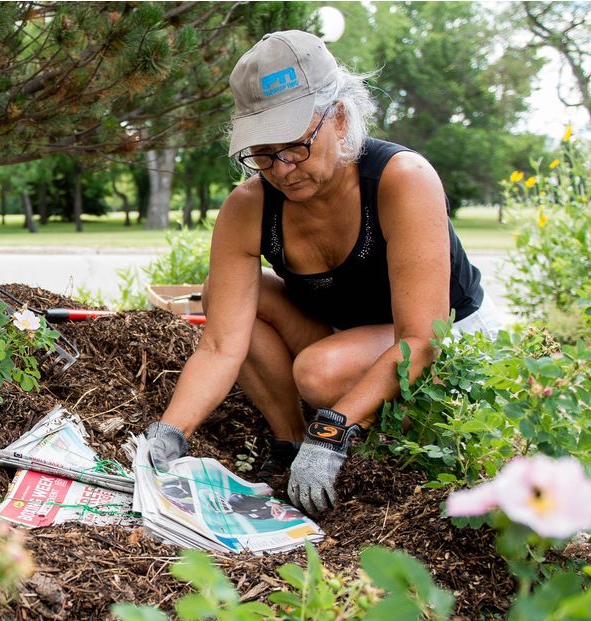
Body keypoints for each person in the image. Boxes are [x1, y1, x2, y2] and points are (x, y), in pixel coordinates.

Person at [143, 30, 501, 517]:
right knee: (228, 297)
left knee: (319, 372)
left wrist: (331, 431)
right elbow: (221, 345)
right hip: (348, 337)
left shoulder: (402, 179)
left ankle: (361, 446)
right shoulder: (249, 207)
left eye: (295, 145)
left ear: (340, 117)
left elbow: (421, 340)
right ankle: (292, 446)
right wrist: (169, 434)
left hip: (445, 338)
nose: (281, 169)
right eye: (262, 153)